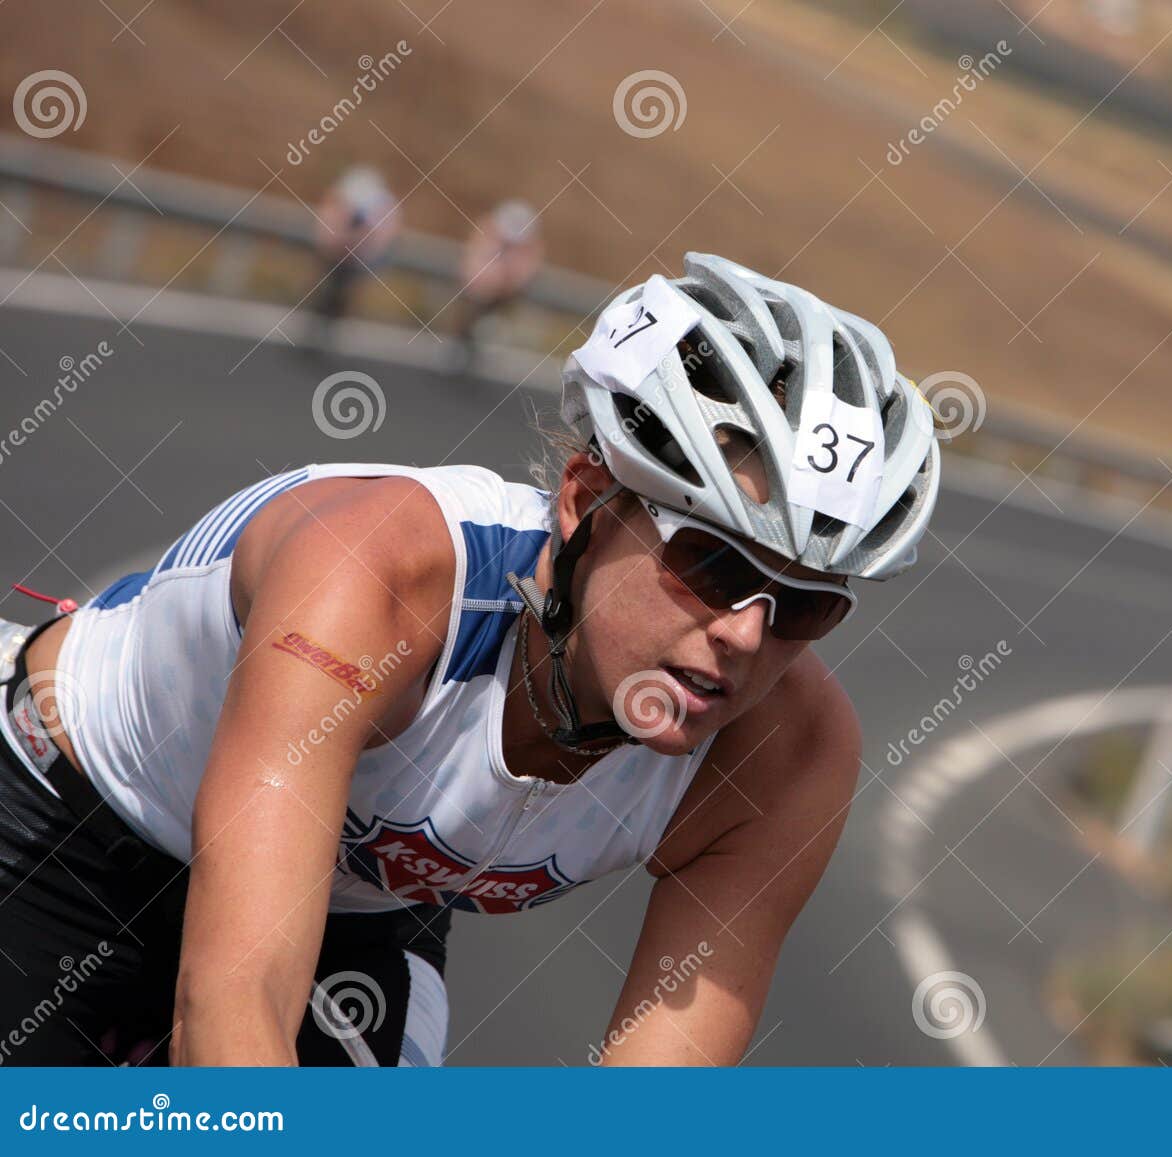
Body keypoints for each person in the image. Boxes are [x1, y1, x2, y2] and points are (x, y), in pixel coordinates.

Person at [0, 252, 940, 1066]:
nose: (746, 632)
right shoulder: (381, 585)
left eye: (808, 606)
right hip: (59, 823)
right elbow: (231, 1008)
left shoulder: (791, 757)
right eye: (710, 563)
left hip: (341, 922)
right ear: (584, 502)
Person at [304, 165, 401, 346]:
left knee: (342, 294)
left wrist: (359, 244)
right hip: (336, 255)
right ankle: (316, 327)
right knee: (325, 290)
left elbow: (379, 239)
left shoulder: (381, 209)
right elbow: (327, 231)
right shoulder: (340, 202)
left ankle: (329, 329)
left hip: (356, 259)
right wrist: (336, 241)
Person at [453, 199, 545, 372]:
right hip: (481, 290)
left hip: (503, 295)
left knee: (495, 318)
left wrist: (507, 280)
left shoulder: (530, 250)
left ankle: (487, 336)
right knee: (468, 310)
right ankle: (462, 342)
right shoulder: (486, 236)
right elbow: (472, 267)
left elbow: (523, 275)